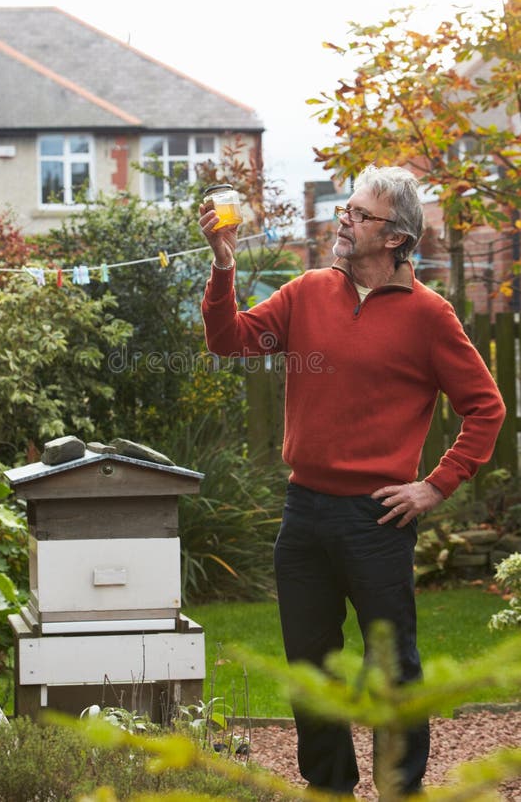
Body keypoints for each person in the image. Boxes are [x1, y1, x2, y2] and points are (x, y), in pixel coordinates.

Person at [199, 165, 506, 796]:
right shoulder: (308, 291)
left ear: (395, 236)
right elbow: (229, 341)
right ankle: (328, 785)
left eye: (358, 214)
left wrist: (436, 485)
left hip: (378, 519)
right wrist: (223, 263)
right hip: (304, 513)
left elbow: (487, 407)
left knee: (391, 666)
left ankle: (402, 787)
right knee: (311, 665)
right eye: (345, 209)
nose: (344, 220)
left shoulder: (429, 316)